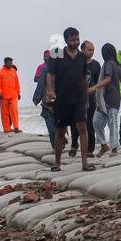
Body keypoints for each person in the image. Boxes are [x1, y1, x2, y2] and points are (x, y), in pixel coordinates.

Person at [45, 27, 94, 172]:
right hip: (62, 98)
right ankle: (57, 163)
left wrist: (86, 99)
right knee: (60, 131)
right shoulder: (57, 54)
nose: (76, 42)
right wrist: (50, 90)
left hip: (78, 98)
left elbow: (84, 78)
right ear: (66, 40)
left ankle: (85, 163)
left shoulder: (81, 57)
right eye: (73, 40)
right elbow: (49, 74)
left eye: (77, 39)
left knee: (82, 128)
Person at [91, 43, 121, 156]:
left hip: (110, 99)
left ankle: (114, 149)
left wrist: (94, 87)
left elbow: (108, 79)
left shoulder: (109, 64)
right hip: (107, 100)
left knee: (111, 123)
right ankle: (104, 145)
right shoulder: (116, 65)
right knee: (96, 121)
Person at [72, 42, 99, 155]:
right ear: (82, 50)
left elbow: (98, 82)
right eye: (89, 50)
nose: (91, 52)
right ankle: (74, 145)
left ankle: (90, 150)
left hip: (91, 99)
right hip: (76, 98)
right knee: (75, 123)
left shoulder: (96, 65)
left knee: (89, 124)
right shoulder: (75, 62)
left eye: (93, 50)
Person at [32, 50, 57, 148]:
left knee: (59, 126)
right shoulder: (45, 68)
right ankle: (55, 146)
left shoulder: (63, 69)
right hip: (48, 102)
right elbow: (40, 83)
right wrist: (37, 98)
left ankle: (59, 142)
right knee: (51, 127)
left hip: (61, 101)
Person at [0, 57, 21, 132]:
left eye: (11, 62)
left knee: (14, 111)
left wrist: (18, 93)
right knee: (4, 113)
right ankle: (6, 129)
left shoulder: (13, 71)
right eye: (9, 62)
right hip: (3, 96)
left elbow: (17, 83)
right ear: (5, 62)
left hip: (13, 95)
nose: (11, 64)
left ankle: (16, 128)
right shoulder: (0, 72)